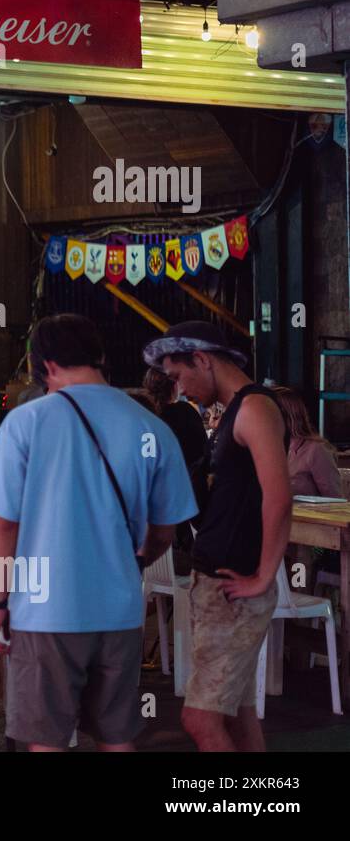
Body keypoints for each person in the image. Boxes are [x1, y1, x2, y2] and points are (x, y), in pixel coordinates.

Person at [0, 314, 196, 752]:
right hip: (120, 610)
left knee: (47, 739)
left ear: (45, 364)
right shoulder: (151, 426)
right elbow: (166, 531)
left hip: (45, 610)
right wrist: (133, 562)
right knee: (116, 736)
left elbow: (4, 524)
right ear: (101, 357)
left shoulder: (25, 422)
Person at [145, 320, 290, 752]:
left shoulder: (255, 409)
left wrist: (264, 577)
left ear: (202, 359)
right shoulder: (239, 411)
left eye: (178, 376)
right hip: (220, 583)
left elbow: (279, 497)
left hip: (235, 587)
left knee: (201, 720)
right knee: (238, 718)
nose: (181, 389)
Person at [143, 365, 210, 545]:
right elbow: (204, 451)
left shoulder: (147, 418)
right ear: (174, 386)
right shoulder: (186, 411)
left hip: (159, 508)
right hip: (194, 501)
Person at [273, 386, 343, 498]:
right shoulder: (270, 449)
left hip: (309, 515)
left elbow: (335, 500)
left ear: (288, 415)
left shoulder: (316, 450)